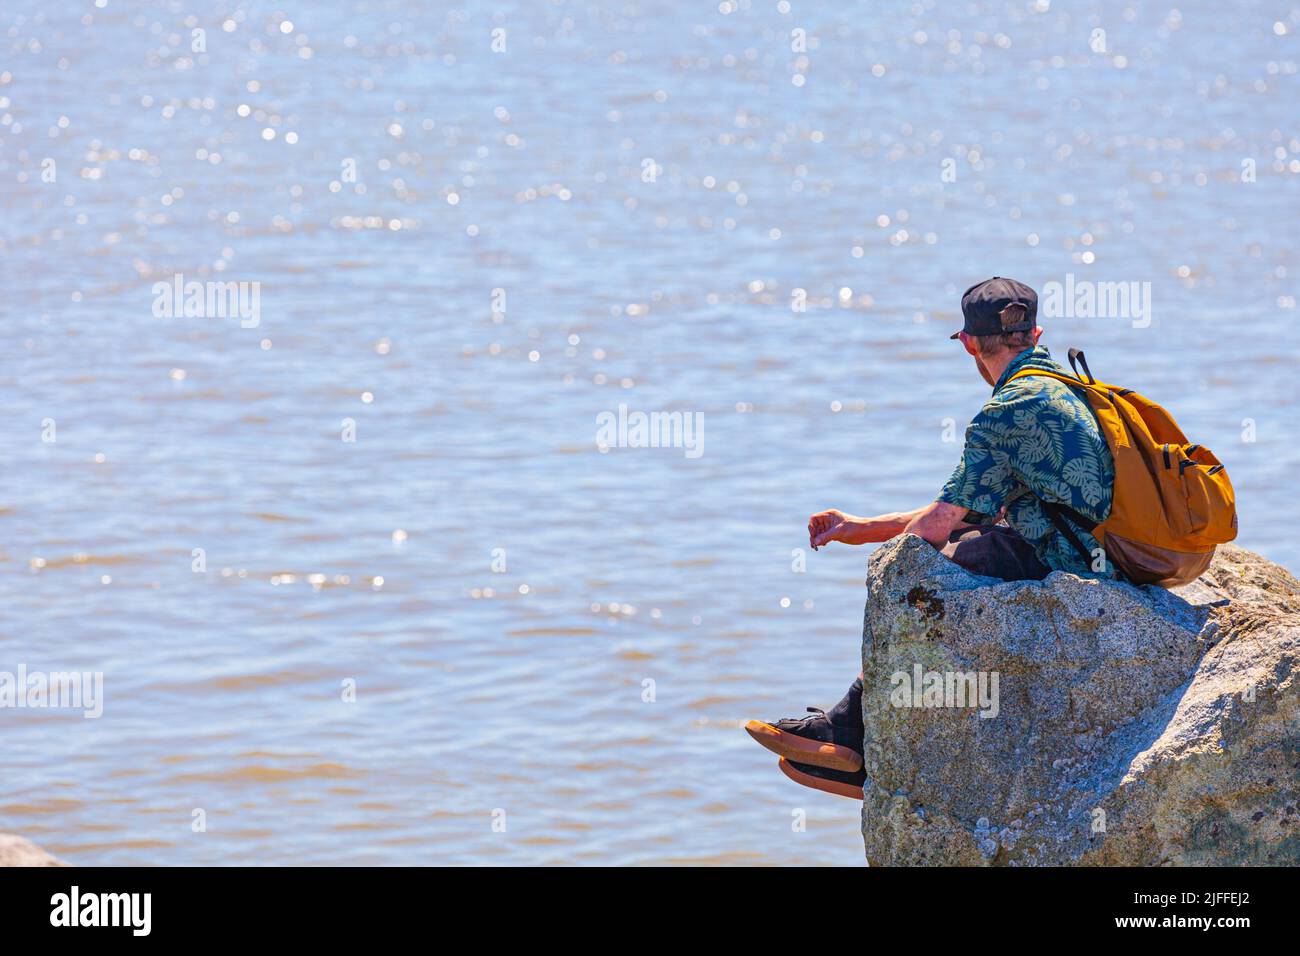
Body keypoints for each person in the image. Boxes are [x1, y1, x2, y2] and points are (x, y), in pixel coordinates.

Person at [746, 277, 1117, 799]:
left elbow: (944, 521)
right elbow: (964, 508)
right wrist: (861, 528)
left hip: (1067, 560)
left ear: (968, 343)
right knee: (951, 551)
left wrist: (891, 565)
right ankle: (860, 738)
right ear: (1035, 332)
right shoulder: (1066, 385)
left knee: (915, 577)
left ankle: (852, 735)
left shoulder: (1006, 410)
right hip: (1105, 553)